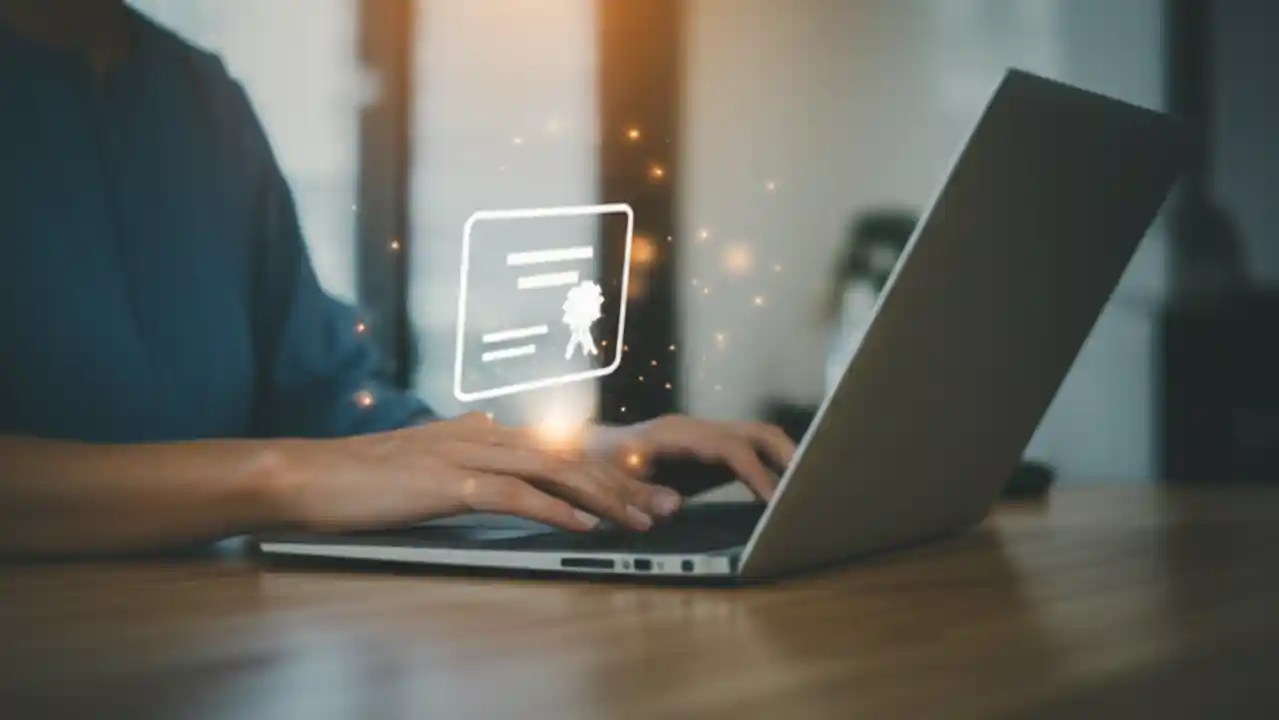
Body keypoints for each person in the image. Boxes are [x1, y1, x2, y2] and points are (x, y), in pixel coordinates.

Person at [0, 0, 794, 558]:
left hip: (214, 648)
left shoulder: (202, 99)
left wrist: (576, 458)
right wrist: (279, 479)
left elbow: (335, 411)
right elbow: (318, 466)